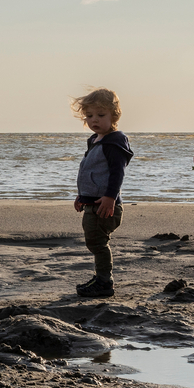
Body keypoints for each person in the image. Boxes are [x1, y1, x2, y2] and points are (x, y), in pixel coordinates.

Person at [71, 88, 134, 298]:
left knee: (98, 242)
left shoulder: (114, 141)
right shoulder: (94, 140)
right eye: (89, 116)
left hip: (105, 205)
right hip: (93, 203)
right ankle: (101, 277)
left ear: (114, 116)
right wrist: (82, 196)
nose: (94, 120)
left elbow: (117, 172)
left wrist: (110, 197)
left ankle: (105, 282)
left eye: (100, 115)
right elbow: (91, 171)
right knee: (94, 241)